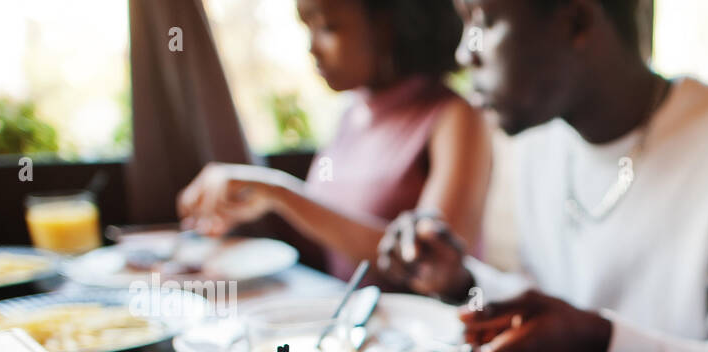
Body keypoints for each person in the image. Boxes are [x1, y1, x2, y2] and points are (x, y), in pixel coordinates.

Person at [379, 0, 708, 352]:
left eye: (484, 22)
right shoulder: (539, 141)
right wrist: (463, 283)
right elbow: (552, 310)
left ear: (576, 22)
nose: (464, 53)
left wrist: (597, 342)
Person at [178, 0, 490, 284]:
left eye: (327, 28)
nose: (312, 48)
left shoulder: (455, 116)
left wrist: (279, 192)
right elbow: (331, 247)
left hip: (422, 330)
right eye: (307, 28)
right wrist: (249, 208)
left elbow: (434, 262)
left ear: (387, 26)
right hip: (350, 323)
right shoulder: (352, 114)